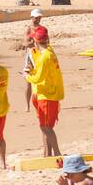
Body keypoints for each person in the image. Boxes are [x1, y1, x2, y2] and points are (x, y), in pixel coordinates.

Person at [24, 25, 63, 157]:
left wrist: (27, 76)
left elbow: (39, 77)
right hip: (46, 92)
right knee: (45, 126)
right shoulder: (47, 52)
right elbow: (42, 72)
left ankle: (57, 154)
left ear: (35, 41)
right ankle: (47, 154)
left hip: (47, 93)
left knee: (45, 127)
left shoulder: (45, 56)